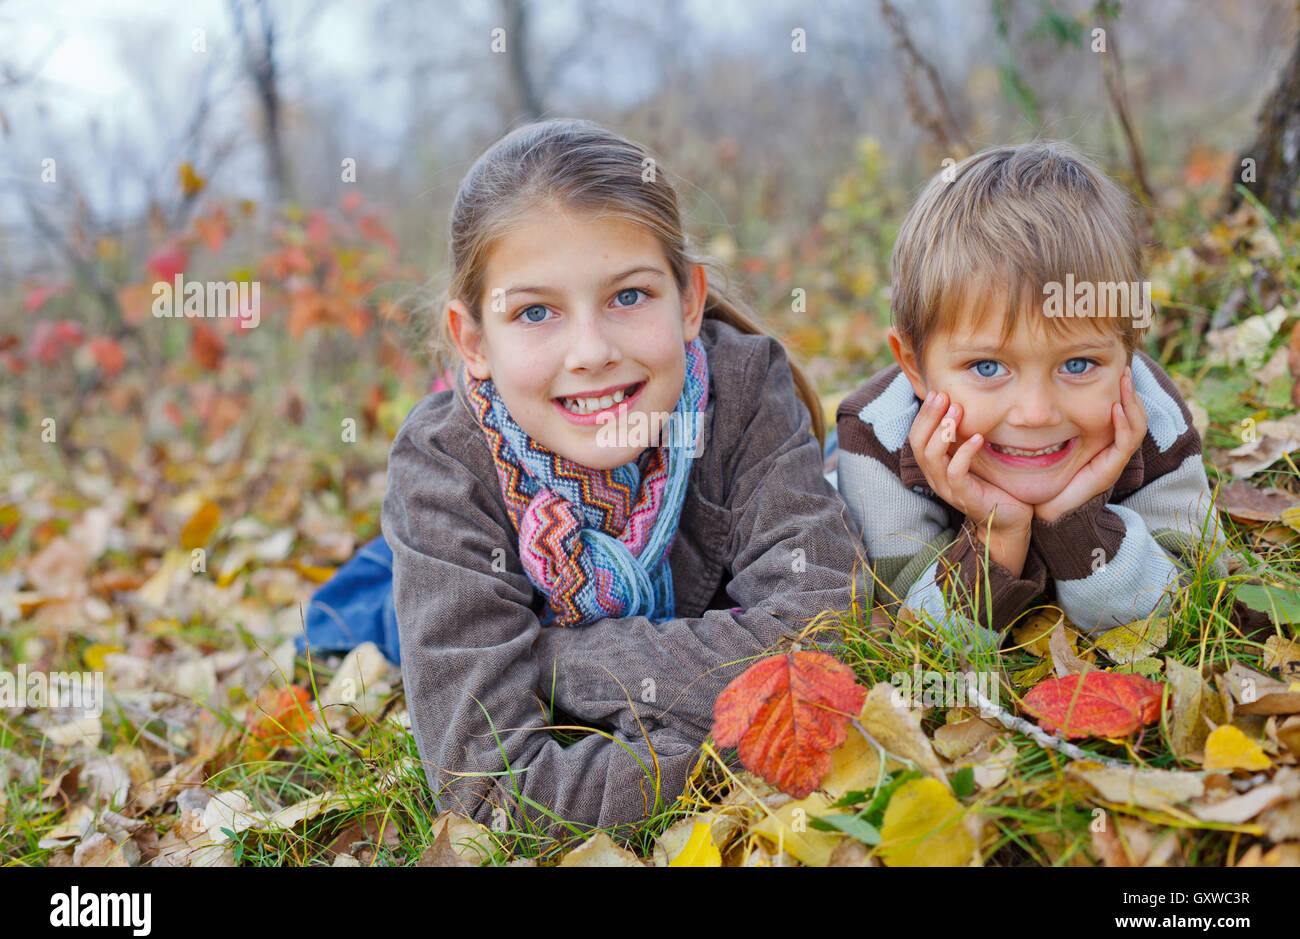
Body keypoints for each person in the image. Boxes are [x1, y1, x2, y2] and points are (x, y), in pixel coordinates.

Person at [379, 118, 866, 835]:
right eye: (536, 311)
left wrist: (562, 661)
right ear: (473, 340)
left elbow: (831, 637)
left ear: (689, 300)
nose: (591, 351)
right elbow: (488, 794)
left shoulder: (742, 390)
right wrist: (738, 750)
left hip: (566, 620)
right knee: (363, 612)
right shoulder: (444, 471)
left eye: (629, 296)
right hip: (469, 559)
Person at [835, 141, 1232, 652]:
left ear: (1129, 349)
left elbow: (1189, 603)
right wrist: (997, 539)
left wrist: (1076, 522)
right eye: (988, 367)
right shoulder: (876, 436)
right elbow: (910, 641)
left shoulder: (1150, 414)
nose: (1036, 413)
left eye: (1077, 364)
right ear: (914, 365)